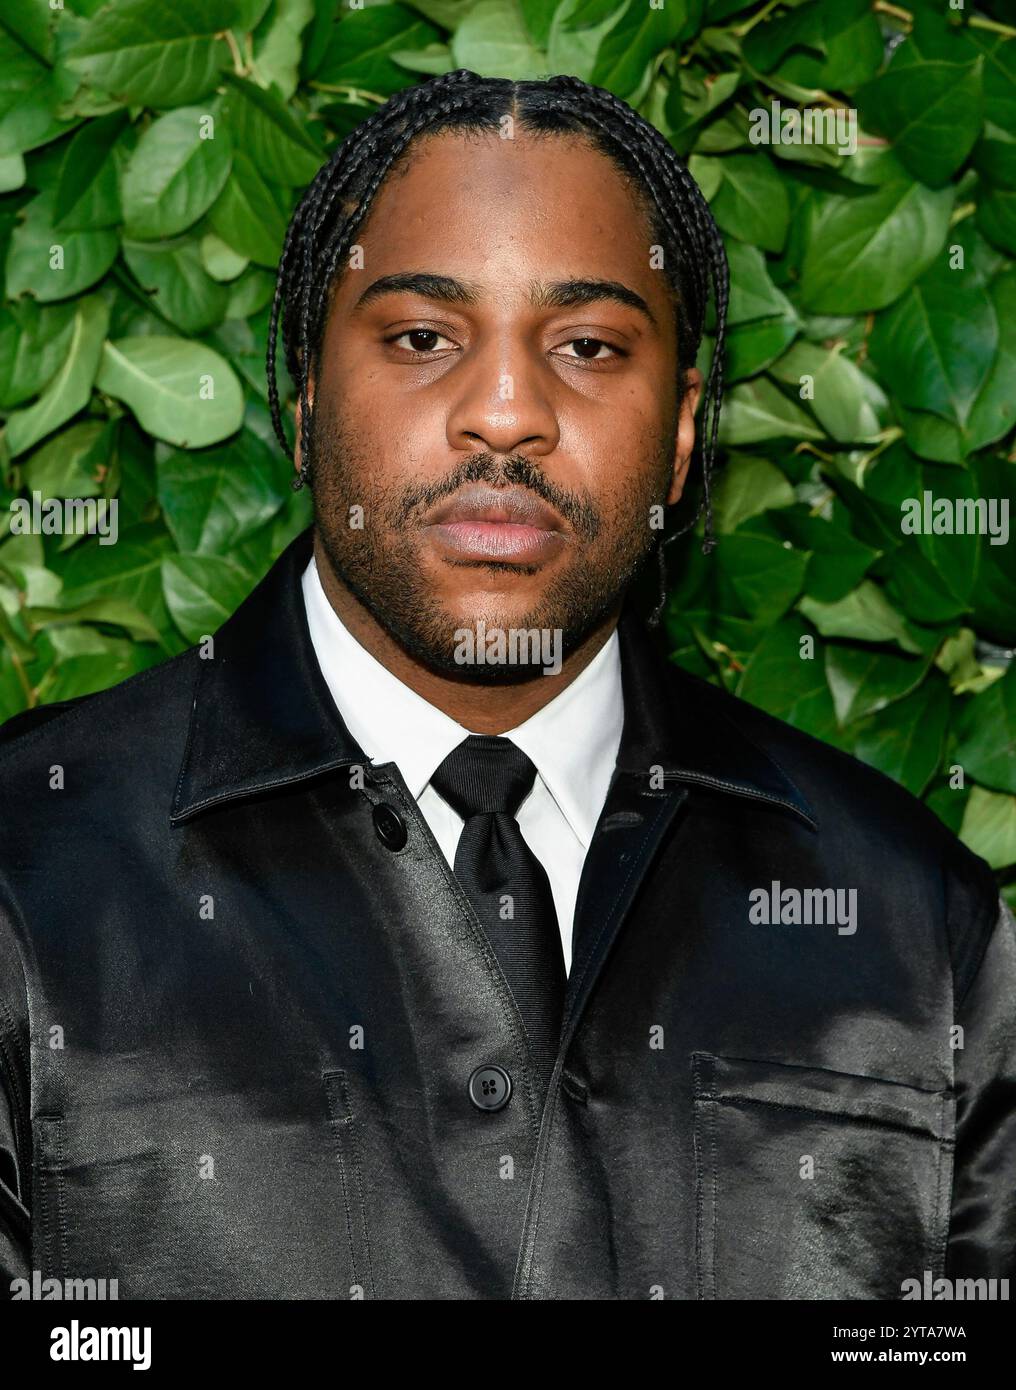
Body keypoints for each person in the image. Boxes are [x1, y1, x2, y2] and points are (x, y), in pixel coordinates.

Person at [0, 70, 1012, 1302]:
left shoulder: (913, 922)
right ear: (309, 392)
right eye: (423, 336)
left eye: (587, 346)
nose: (502, 412)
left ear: (682, 428)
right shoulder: (31, 869)